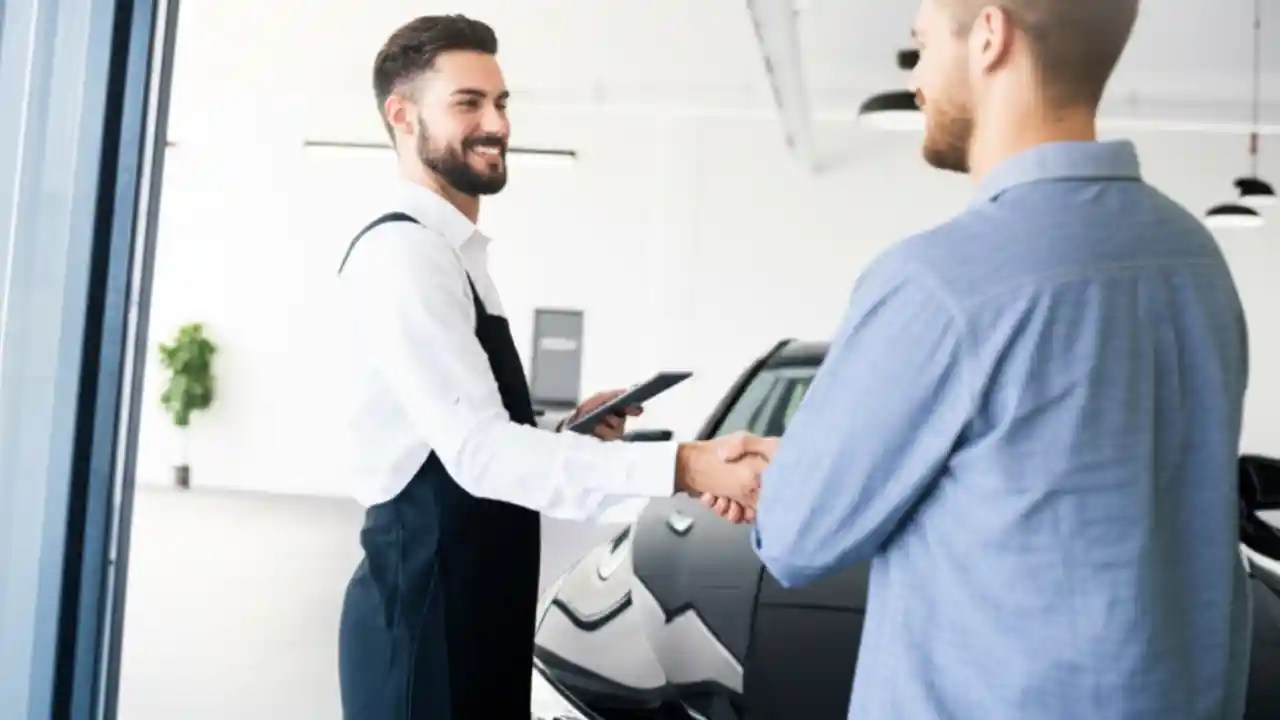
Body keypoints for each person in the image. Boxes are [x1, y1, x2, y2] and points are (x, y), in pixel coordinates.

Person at [730, 0, 1253, 717]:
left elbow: (797, 537)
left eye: (919, 47)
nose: (916, 79)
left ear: (988, 34)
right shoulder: (1196, 261)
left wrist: (798, 474)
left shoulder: (939, 282)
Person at [333, 15, 764, 719]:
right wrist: (683, 468)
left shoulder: (455, 253)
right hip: (424, 629)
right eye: (468, 103)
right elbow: (477, 454)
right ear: (402, 116)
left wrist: (566, 435)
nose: (496, 123)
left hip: (475, 613)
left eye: (501, 103)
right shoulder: (404, 256)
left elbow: (450, 437)